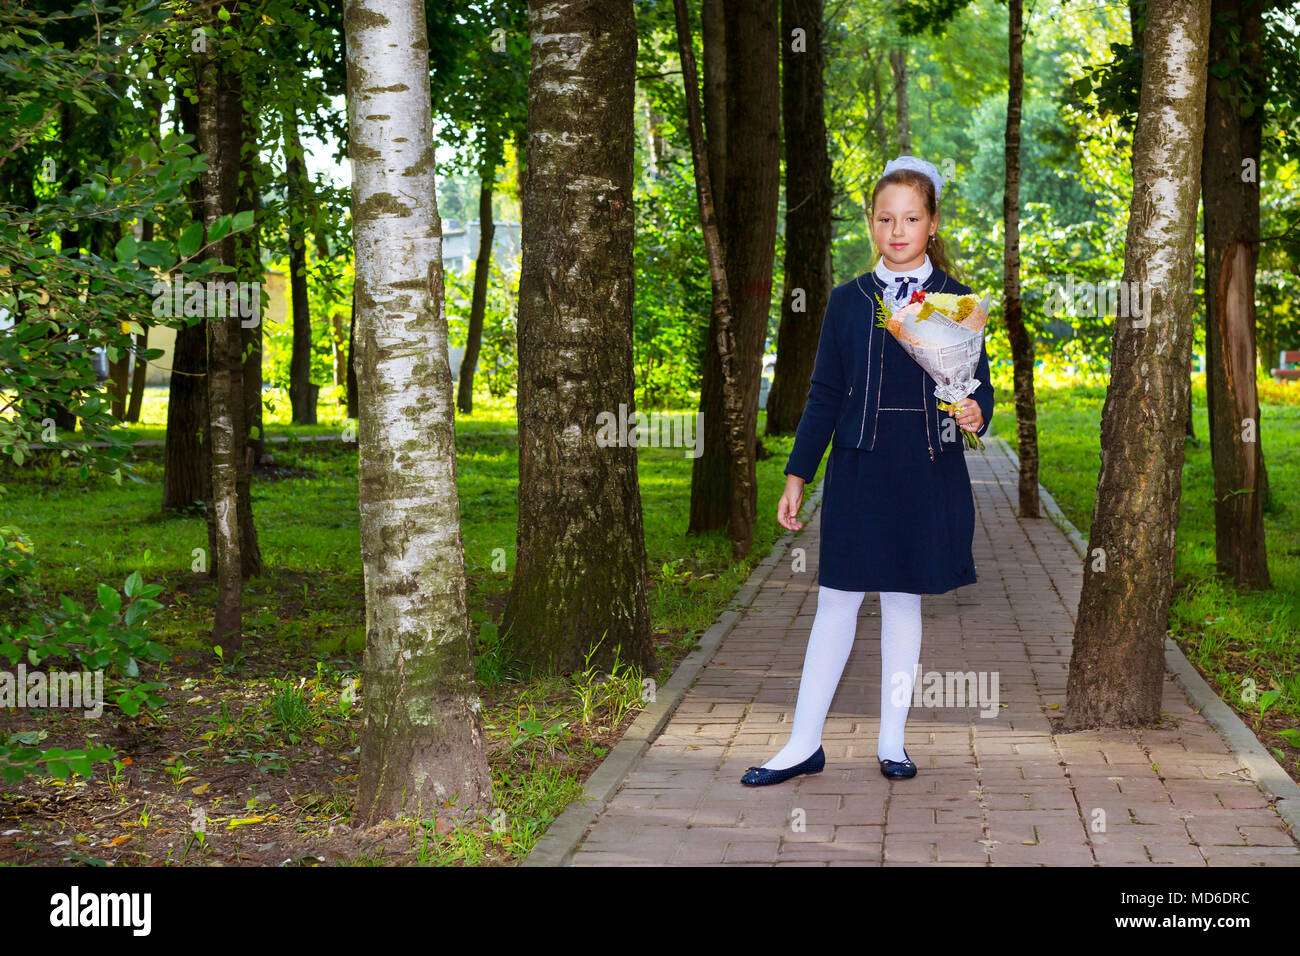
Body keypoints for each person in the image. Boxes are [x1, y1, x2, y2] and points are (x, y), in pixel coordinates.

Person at [741, 155, 994, 786]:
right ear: (871, 225)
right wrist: (798, 473)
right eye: (885, 219)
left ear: (932, 223)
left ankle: (892, 742)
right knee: (836, 603)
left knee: (904, 604)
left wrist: (974, 412)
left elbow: (980, 388)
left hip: (924, 469)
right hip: (857, 472)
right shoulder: (847, 301)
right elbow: (825, 391)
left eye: (911, 218)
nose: (898, 230)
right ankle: (802, 744)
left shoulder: (957, 304)